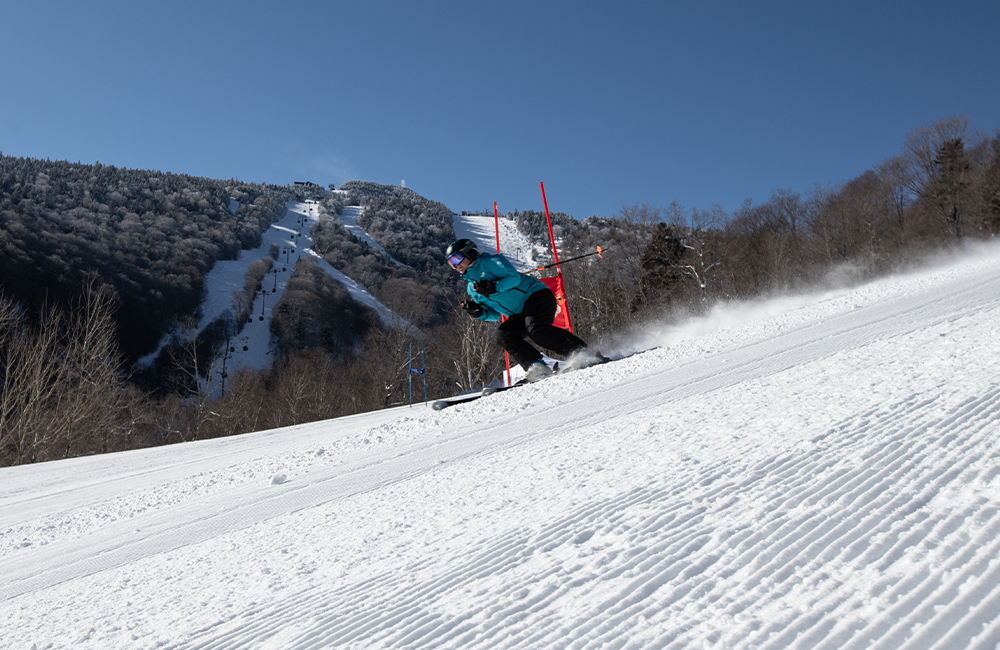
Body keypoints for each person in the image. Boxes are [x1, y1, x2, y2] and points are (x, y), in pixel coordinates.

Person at [446, 238, 598, 382]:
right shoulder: (472, 289)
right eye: (451, 263)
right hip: (519, 313)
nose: (455, 265)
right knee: (503, 335)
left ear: (469, 252)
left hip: (536, 295)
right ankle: (537, 366)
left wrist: (494, 287)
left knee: (535, 329)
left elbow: (514, 277)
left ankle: (580, 352)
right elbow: (493, 315)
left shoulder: (489, 262)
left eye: (456, 259)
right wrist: (479, 312)